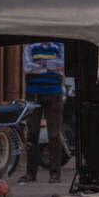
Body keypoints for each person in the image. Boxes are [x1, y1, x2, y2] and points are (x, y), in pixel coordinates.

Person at [20, 41, 65, 184]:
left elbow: (62, 65)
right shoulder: (30, 46)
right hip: (33, 93)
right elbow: (27, 67)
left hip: (54, 93)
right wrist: (50, 66)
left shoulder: (59, 47)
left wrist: (40, 64)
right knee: (32, 134)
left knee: (54, 135)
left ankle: (55, 173)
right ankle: (31, 173)